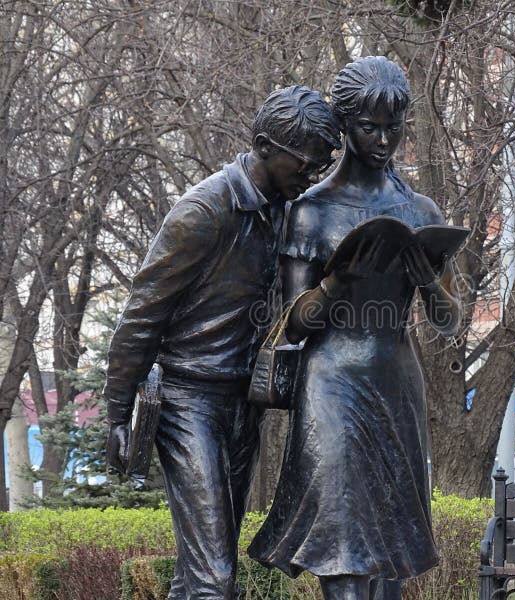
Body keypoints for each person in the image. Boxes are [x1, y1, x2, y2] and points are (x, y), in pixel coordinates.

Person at [104, 85, 341, 600]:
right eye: (304, 164)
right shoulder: (203, 213)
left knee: (200, 574)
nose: (311, 177)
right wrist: (117, 412)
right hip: (189, 404)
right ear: (263, 146)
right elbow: (142, 314)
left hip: (244, 405)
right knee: (215, 579)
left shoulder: (287, 211)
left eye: (320, 167)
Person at [247, 56, 462, 600]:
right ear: (344, 123)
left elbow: (450, 321)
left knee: (391, 548)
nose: (383, 140)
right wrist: (336, 284)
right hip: (332, 381)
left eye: (394, 127)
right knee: (343, 542)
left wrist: (430, 283)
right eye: (370, 127)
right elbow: (295, 320)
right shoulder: (311, 211)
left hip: (397, 378)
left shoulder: (421, 210)